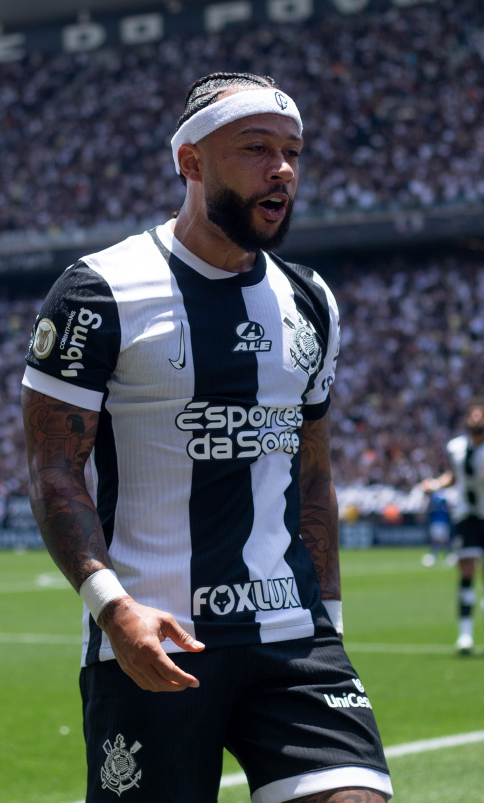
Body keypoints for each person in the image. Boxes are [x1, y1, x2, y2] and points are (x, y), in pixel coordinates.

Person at [22, 73, 391, 803]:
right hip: (152, 638)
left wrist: (330, 624)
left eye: (292, 151)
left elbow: (310, 474)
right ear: (190, 162)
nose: (281, 168)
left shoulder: (310, 300)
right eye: (255, 149)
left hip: (292, 633)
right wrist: (112, 608)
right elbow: (52, 471)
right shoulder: (98, 292)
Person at [421, 396, 484, 653]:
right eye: (474, 415)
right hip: (466, 515)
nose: (477, 419)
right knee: (466, 572)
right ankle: (465, 635)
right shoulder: (456, 447)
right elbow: (453, 476)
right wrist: (435, 484)